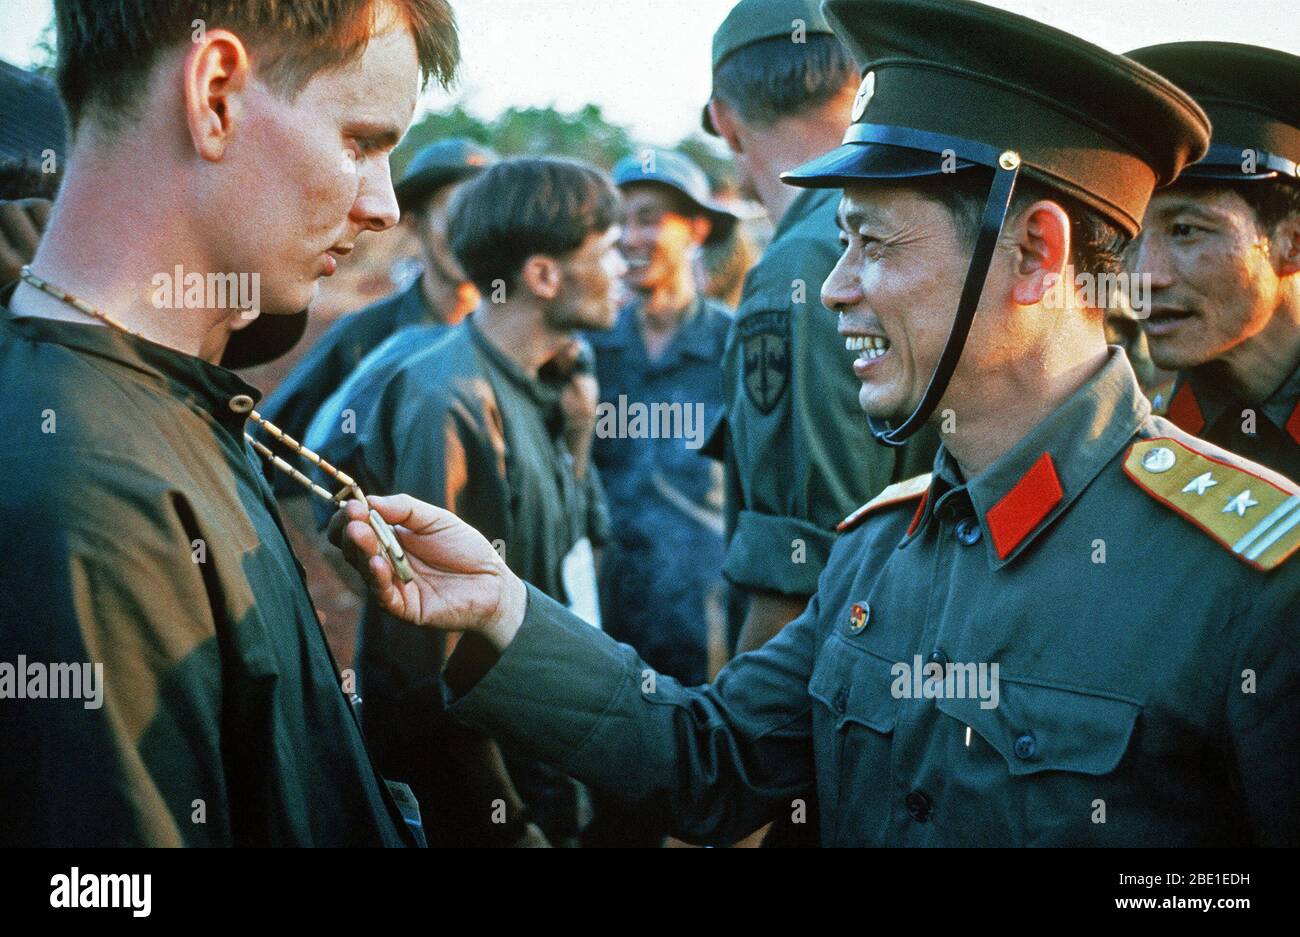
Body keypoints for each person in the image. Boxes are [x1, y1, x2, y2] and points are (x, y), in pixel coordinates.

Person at [332, 0, 1300, 848]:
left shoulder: (1253, 585)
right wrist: (502, 606)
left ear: (1035, 255)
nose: (835, 290)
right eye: (837, 244)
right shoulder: (879, 551)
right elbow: (703, 759)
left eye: (871, 243)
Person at [0, 0, 459, 846]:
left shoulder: (169, 394)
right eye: (361, 141)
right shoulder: (91, 498)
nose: (385, 206)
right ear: (215, 95)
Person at [319, 156, 625, 846]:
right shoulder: (447, 402)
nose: (623, 270)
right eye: (606, 252)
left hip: (544, 763)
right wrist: (505, 823)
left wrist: (576, 440)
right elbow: (426, 660)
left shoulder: (553, 383)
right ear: (544, 276)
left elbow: (567, 560)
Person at [703, 0, 939, 660]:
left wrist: (724, 747)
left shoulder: (800, 266)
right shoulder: (923, 229)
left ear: (725, 122)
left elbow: (799, 586)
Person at [581, 148, 736, 846]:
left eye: (651, 219)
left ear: (696, 231)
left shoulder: (734, 345)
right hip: (603, 611)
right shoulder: (586, 347)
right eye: (620, 221)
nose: (633, 237)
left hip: (703, 618)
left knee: (703, 797)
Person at [1124, 43, 1300, 480]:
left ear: (1292, 243)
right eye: (1127, 236)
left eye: (1184, 230)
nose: (1142, 277)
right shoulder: (1141, 442)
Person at [259, 137, 496, 449]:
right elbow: (269, 445)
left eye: (487, 215)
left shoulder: (524, 340)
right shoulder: (364, 339)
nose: (472, 234)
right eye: (456, 214)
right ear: (414, 224)